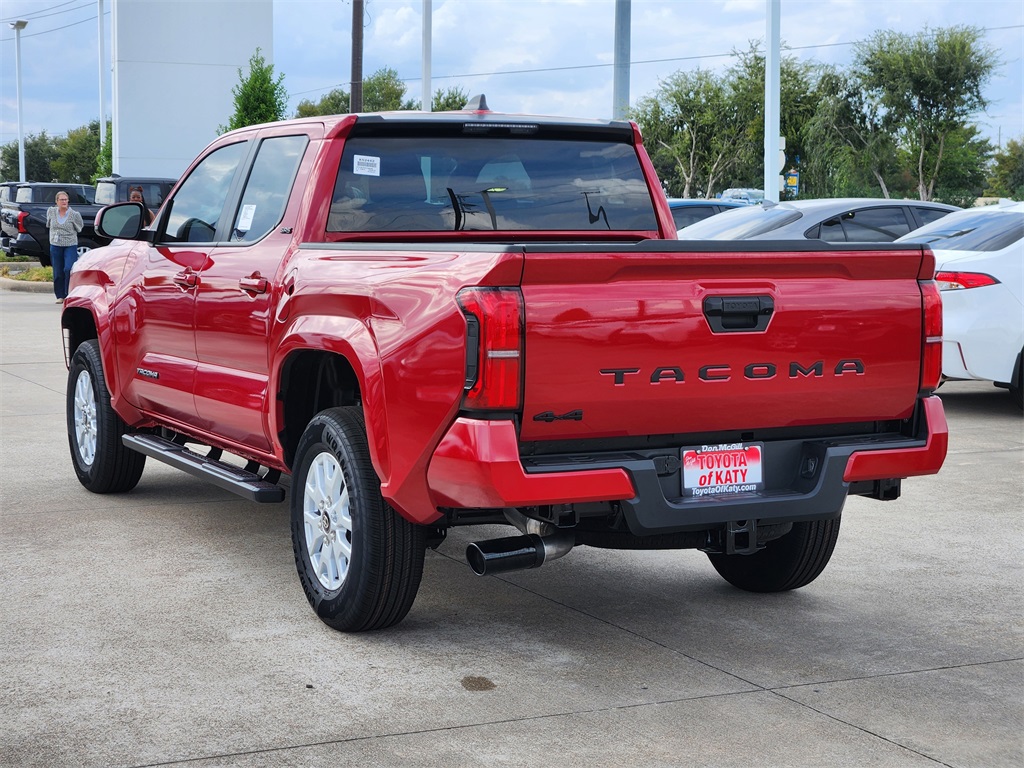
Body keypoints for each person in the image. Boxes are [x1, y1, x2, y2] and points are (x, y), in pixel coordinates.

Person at [45, 191, 84, 303]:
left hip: (70, 244)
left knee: (68, 268)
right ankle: (60, 295)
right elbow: (48, 224)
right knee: (57, 272)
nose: (64, 202)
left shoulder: (74, 214)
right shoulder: (51, 212)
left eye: (66, 199)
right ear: (56, 201)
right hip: (55, 244)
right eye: (61, 200)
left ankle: (69, 293)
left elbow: (79, 228)